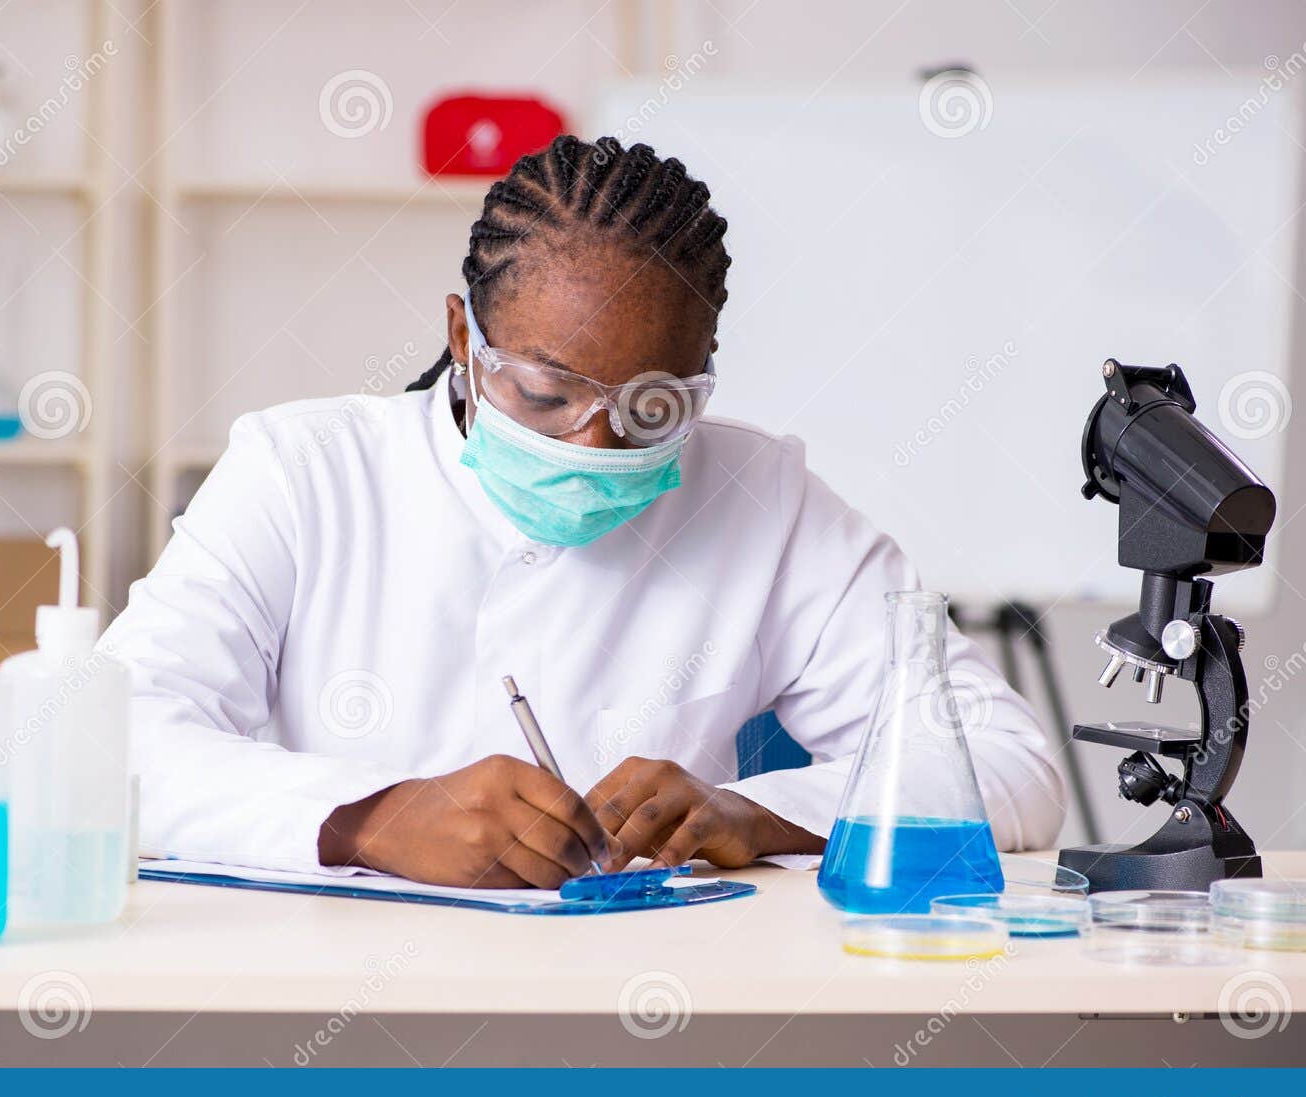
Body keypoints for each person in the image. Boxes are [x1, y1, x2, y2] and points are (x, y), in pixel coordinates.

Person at [100, 135, 1064, 888]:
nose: (593, 449)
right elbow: (112, 740)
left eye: (653, 408)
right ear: (460, 339)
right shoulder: (304, 473)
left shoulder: (760, 500)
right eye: (545, 397)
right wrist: (372, 817)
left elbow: (1010, 767)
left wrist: (750, 813)